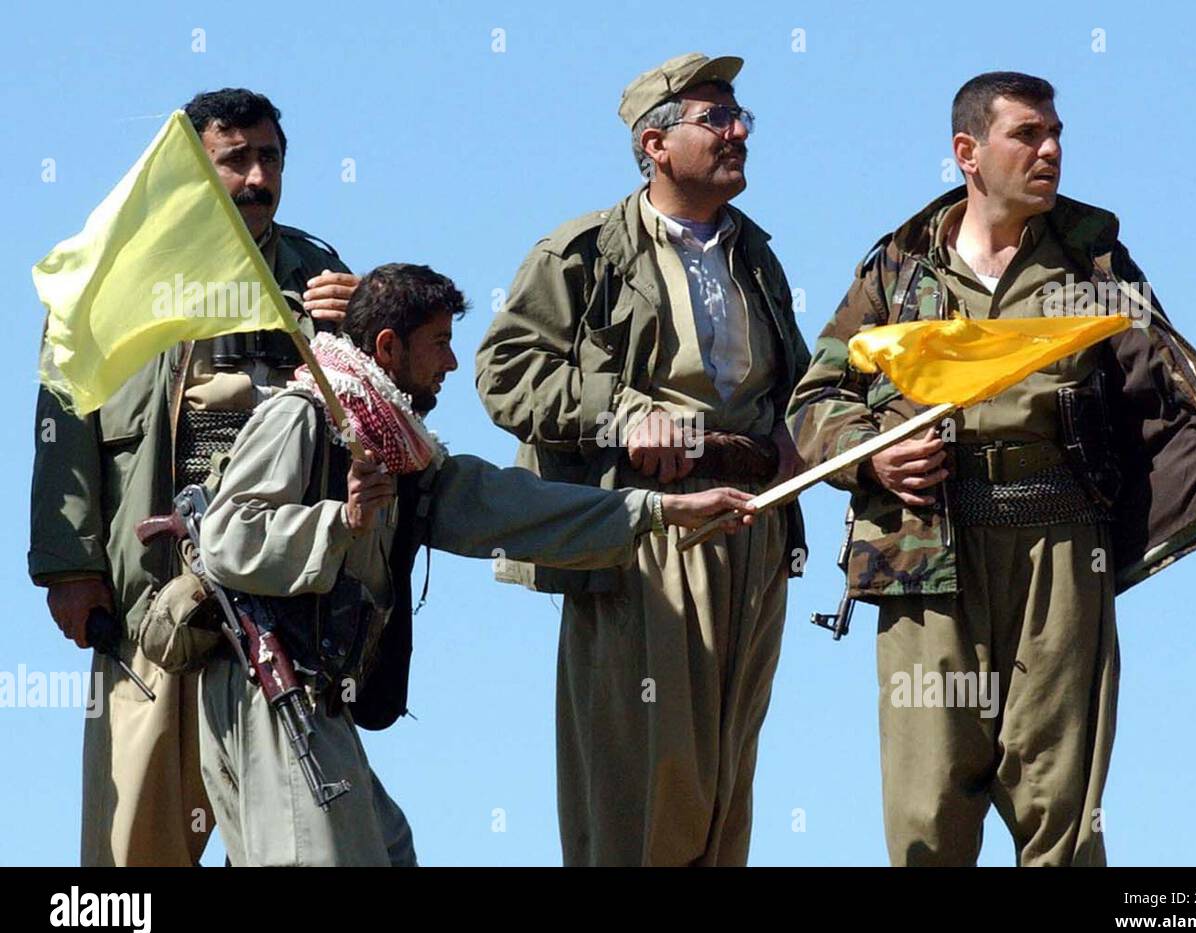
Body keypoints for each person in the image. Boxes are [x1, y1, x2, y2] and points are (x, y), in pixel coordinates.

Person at [786, 71, 1196, 866]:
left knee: (1060, 805)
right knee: (929, 808)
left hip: (1060, 548)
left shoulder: (1093, 263)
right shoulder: (898, 270)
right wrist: (871, 458)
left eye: (1056, 135)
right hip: (924, 553)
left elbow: (1166, 377)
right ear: (967, 153)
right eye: (1027, 135)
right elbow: (813, 400)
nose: (1050, 151)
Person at [197, 263, 755, 865]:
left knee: (389, 850)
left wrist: (660, 510)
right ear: (388, 347)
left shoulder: (397, 450)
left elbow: (509, 509)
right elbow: (226, 538)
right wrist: (340, 522)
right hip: (271, 688)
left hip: (315, 700)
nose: (452, 364)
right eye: (439, 343)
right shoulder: (305, 413)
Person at [475, 53, 811, 865]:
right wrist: (624, 417)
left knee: (726, 781)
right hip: (643, 531)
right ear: (654, 144)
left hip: (752, 524)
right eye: (716, 119)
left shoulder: (756, 256)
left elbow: (791, 387)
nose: (738, 133)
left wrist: (812, 434)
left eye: (742, 119)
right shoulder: (583, 251)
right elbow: (504, 374)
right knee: (644, 776)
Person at [28, 88, 358, 866]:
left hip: (279, 605)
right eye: (234, 160)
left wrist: (357, 326)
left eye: (269, 157)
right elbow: (64, 424)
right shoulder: (119, 274)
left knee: (294, 833)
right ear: (194, 171)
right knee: (133, 845)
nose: (256, 179)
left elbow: (372, 415)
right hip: (149, 597)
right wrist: (70, 567)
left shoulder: (318, 274)